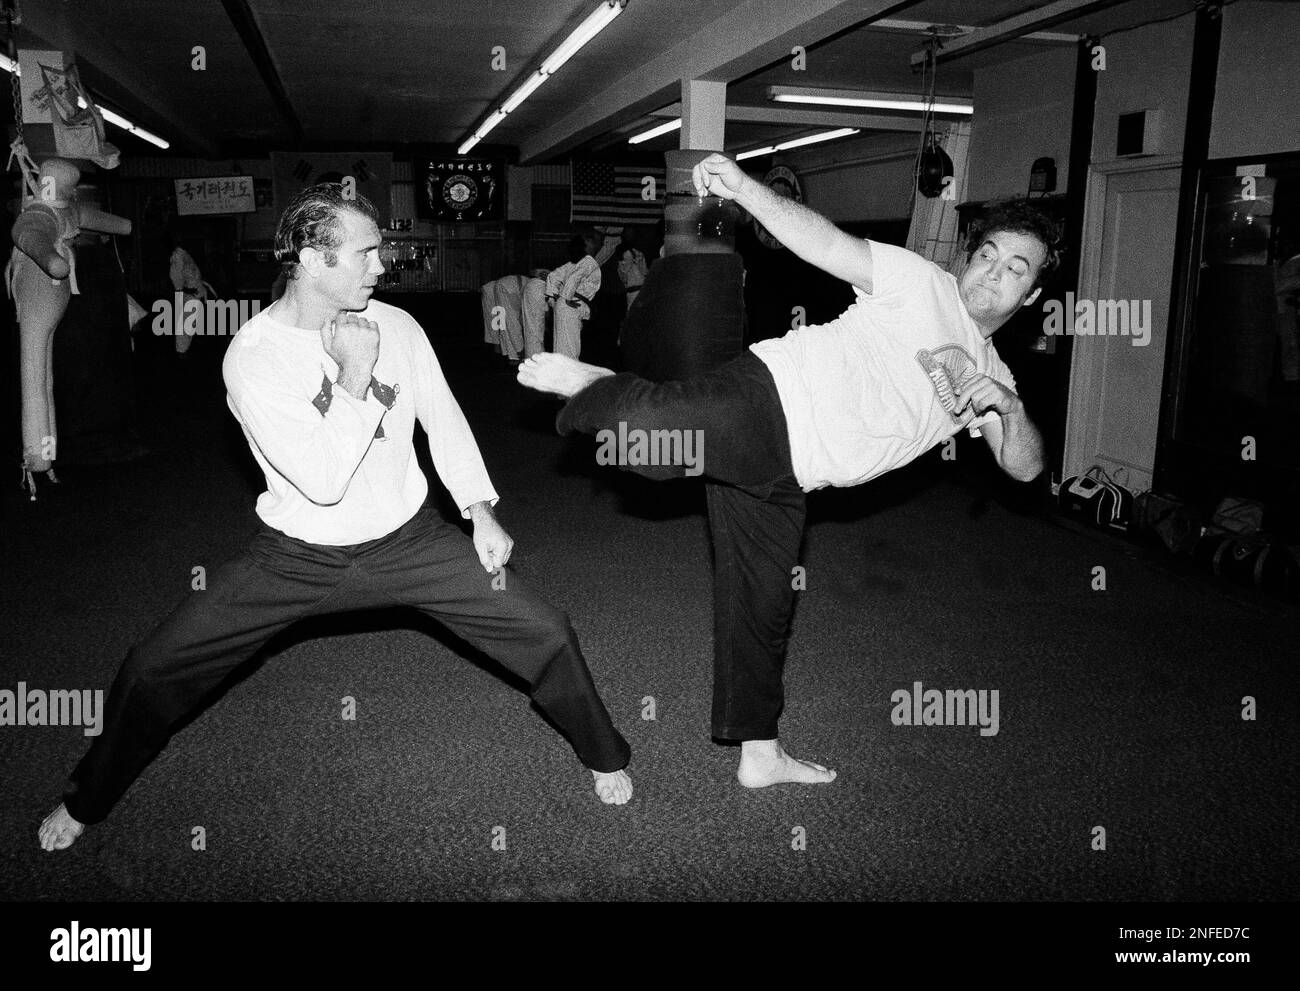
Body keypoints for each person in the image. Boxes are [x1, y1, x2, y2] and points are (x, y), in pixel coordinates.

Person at [38, 183, 632, 852]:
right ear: (312, 261)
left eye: (382, 253)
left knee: (548, 629)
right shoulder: (254, 356)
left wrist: (479, 509)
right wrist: (354, 371)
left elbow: (443, 418)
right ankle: (87, 797)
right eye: (367, 254)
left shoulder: (400, 325)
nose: (384, 268)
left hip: (410, 541)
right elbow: (321, 481)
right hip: (299, 554)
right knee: (150, 669)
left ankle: (605, 752)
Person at [518, 153, 1057, 789]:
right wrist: (745, 190)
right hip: (775, 396)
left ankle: (760, 753)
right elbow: (825, 242)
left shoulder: (995, 380)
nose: (991, 273)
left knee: (763, 609)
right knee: (655, 451)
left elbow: (1025, 469)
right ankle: (598, 387)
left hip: (794, 476)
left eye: (1013, 269)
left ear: (1032, 295)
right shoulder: (921, 282)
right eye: (987, 253)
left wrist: (1012, 409)